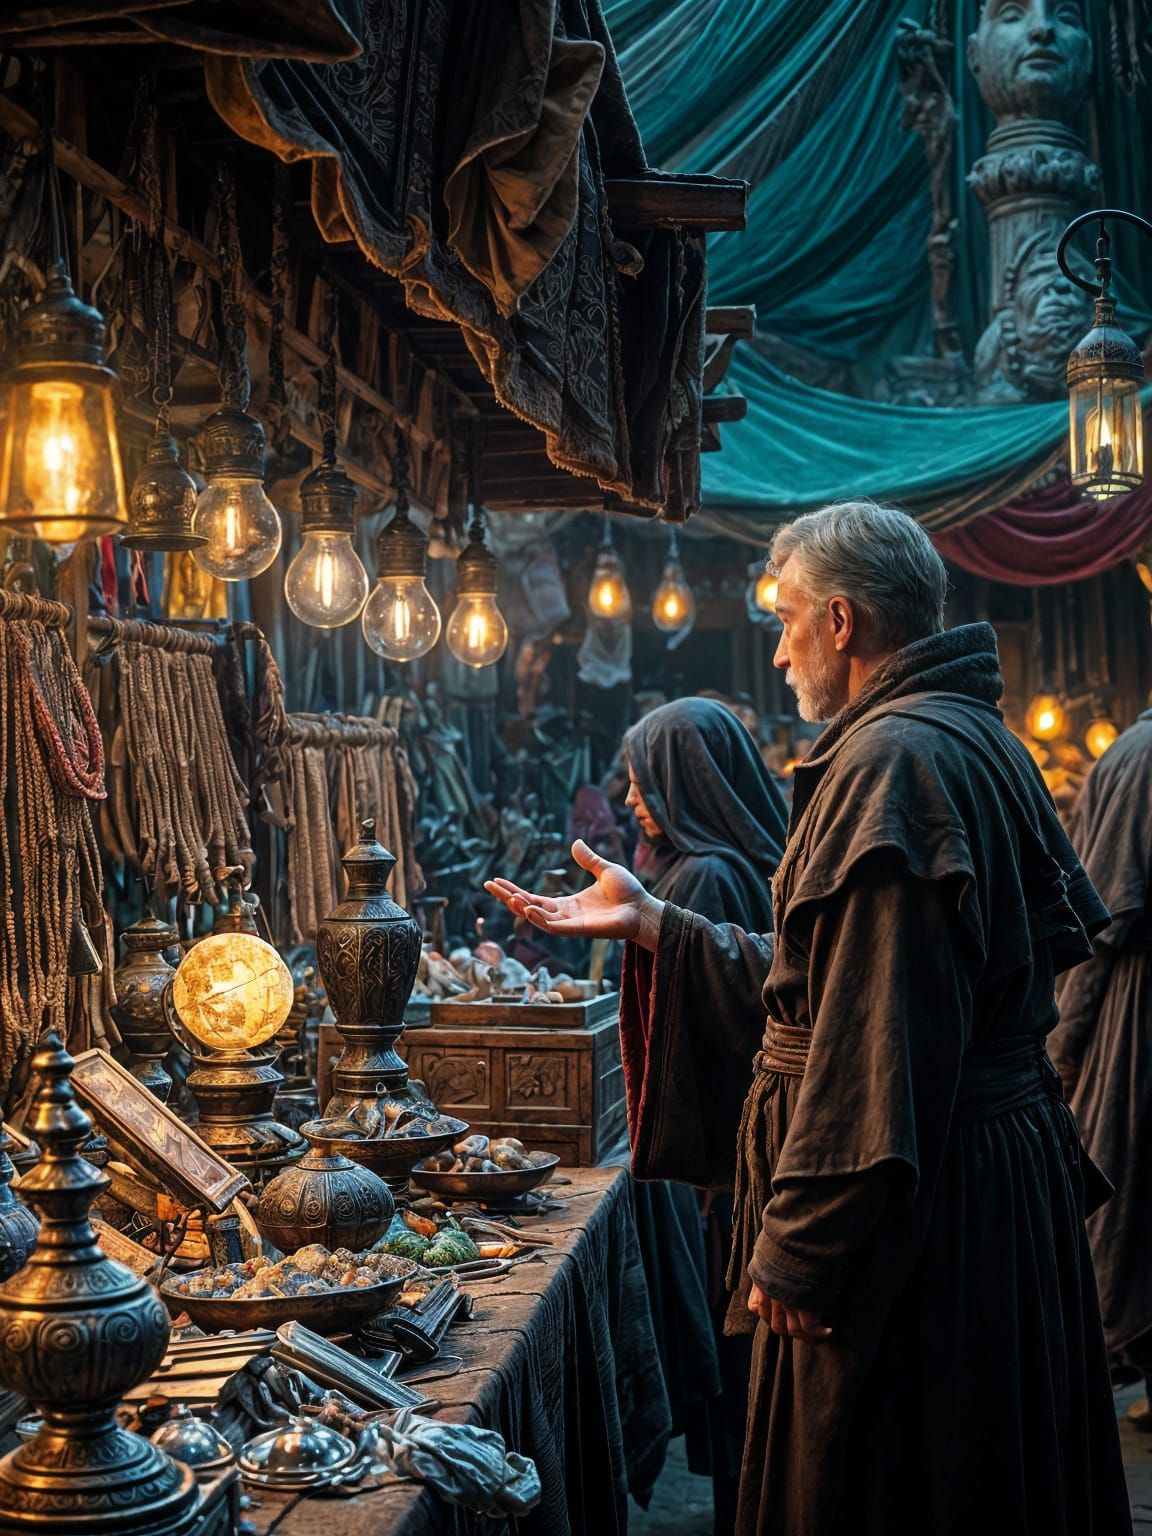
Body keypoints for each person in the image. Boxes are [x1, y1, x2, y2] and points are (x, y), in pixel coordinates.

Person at [487, 501, 1130, 1535]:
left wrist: (802, 1244)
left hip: (925, 1213)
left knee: (892, 1481)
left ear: (840, 622)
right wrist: (660, 924)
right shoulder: (959, 735)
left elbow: (878, 1039)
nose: (779, 651)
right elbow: (837, 983)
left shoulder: (895, 763)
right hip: (971, 1180)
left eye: (786, 621)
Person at [621, 697, 787, 1534]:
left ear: (688, 779)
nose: (630, 798)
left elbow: (723, 1026)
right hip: (746, 1160)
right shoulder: (722, 862)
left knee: (746, 1376)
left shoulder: (705, 877)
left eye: (644, 779)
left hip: (736, 1174)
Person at [1050, 709, 1152, 1425]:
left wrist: (1064, 1045)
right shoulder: (1138, 755)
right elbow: (1104, 915)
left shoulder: (1133, 754)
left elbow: (1101, 920)